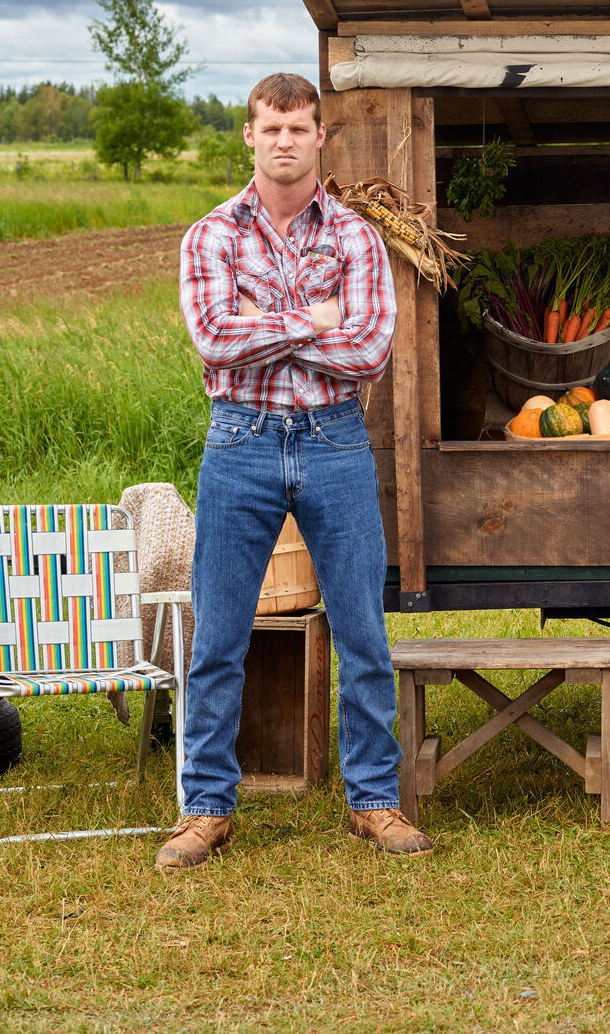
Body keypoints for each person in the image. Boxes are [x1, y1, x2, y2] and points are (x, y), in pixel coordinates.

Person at [156, 72, 432, 870]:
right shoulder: (210, 235)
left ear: (320, 136)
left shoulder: (355, 237)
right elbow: (213, 339)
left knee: (362, 630)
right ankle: (206, 807)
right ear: (249, 135)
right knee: (219, 633)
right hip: (239, 441)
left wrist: (262, 326)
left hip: (335, 439)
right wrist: (312, 319)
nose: (284, 141)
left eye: (298, 128)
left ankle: (374, 799)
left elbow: (370, 348)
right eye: (270, 128)